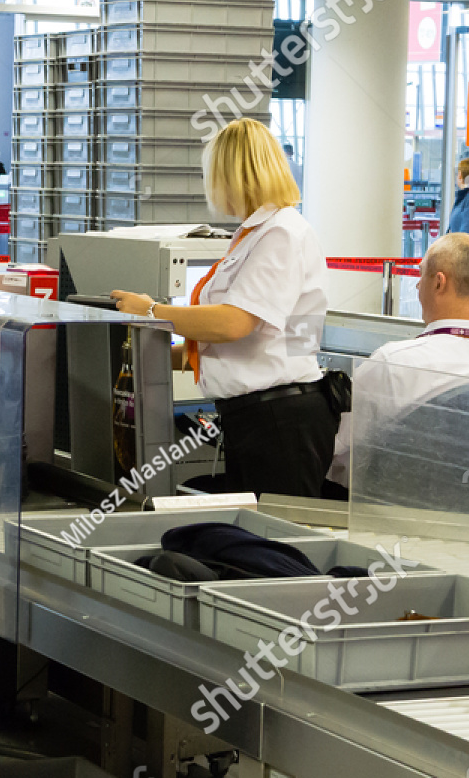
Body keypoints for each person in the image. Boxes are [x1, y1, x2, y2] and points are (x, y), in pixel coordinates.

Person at [110, 117, 336, 497]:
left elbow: (233, 324)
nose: (211, 187)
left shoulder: (281, 233)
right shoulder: (256, 232)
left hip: (279, 419)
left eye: (213, 175)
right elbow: (244, 342)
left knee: (269, 531)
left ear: (235, 175)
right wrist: (147, 356)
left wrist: (151, 312)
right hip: (258, 415)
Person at [326, 233, 469, 490]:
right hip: (456, 508)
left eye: (421, 274)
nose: (417, 286)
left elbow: (338, 456)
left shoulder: (393, 363)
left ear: (438, 283)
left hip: (374, 505)